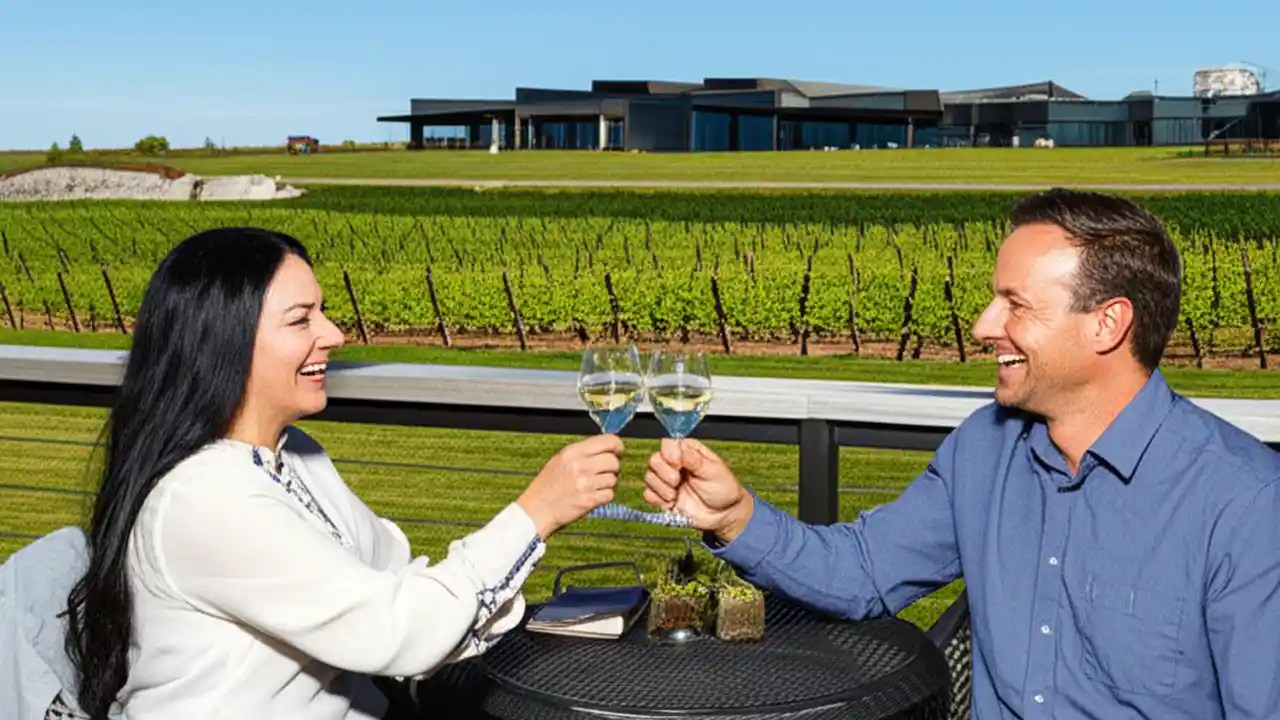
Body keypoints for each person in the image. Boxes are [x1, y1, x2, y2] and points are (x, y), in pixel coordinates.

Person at [643, 189, 1280, 719]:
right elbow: (863, 572)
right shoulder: (985, 448)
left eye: (1016, 304)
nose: (981, 324)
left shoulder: (1247, 503)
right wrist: (735, 517)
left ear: (1107, 324)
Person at [64, 227, 624, 720]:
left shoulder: (296, 454)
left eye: (323, 311)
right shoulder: (202, 498)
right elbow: (395, 631)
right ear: (226, 342)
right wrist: (535, 515)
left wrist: (529, 615)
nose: (333, 334)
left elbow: (395, 578)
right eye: (301, 319)